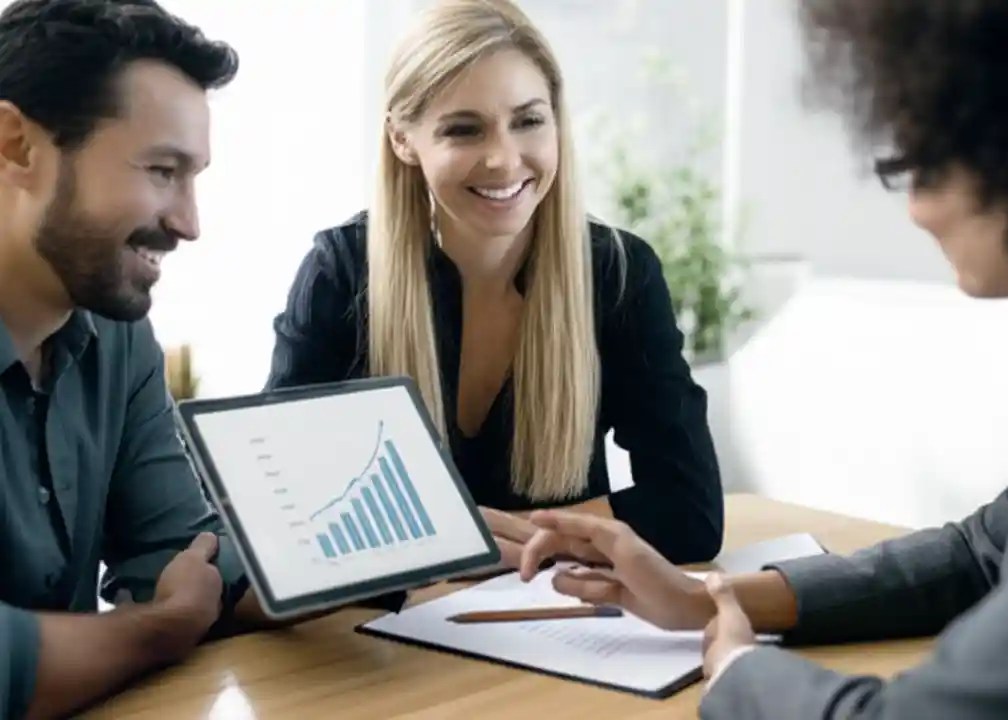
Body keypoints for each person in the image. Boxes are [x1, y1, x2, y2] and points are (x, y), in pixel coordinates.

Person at [518, 1, 1008, 717]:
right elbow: (983, 554)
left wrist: (742, 673)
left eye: (927, 156)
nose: (917, 208)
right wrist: (705, 598)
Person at [265, 0, 723, 569]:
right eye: (464, 130)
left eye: (528, 121)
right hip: (387, 620)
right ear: (403, 139)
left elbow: (689, 513)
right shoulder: (342, 272)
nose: (504, 160)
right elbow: (279, 516)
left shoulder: (618, 275)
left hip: (560, 611)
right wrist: (538, 536)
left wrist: (486, 542)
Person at [0, 1, 284, 716]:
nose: (189, 222)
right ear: (16, 145)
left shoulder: (117, 339)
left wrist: (394, 553)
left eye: (193, 177)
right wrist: (158, 628)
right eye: (162, 170)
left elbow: (181, 555)